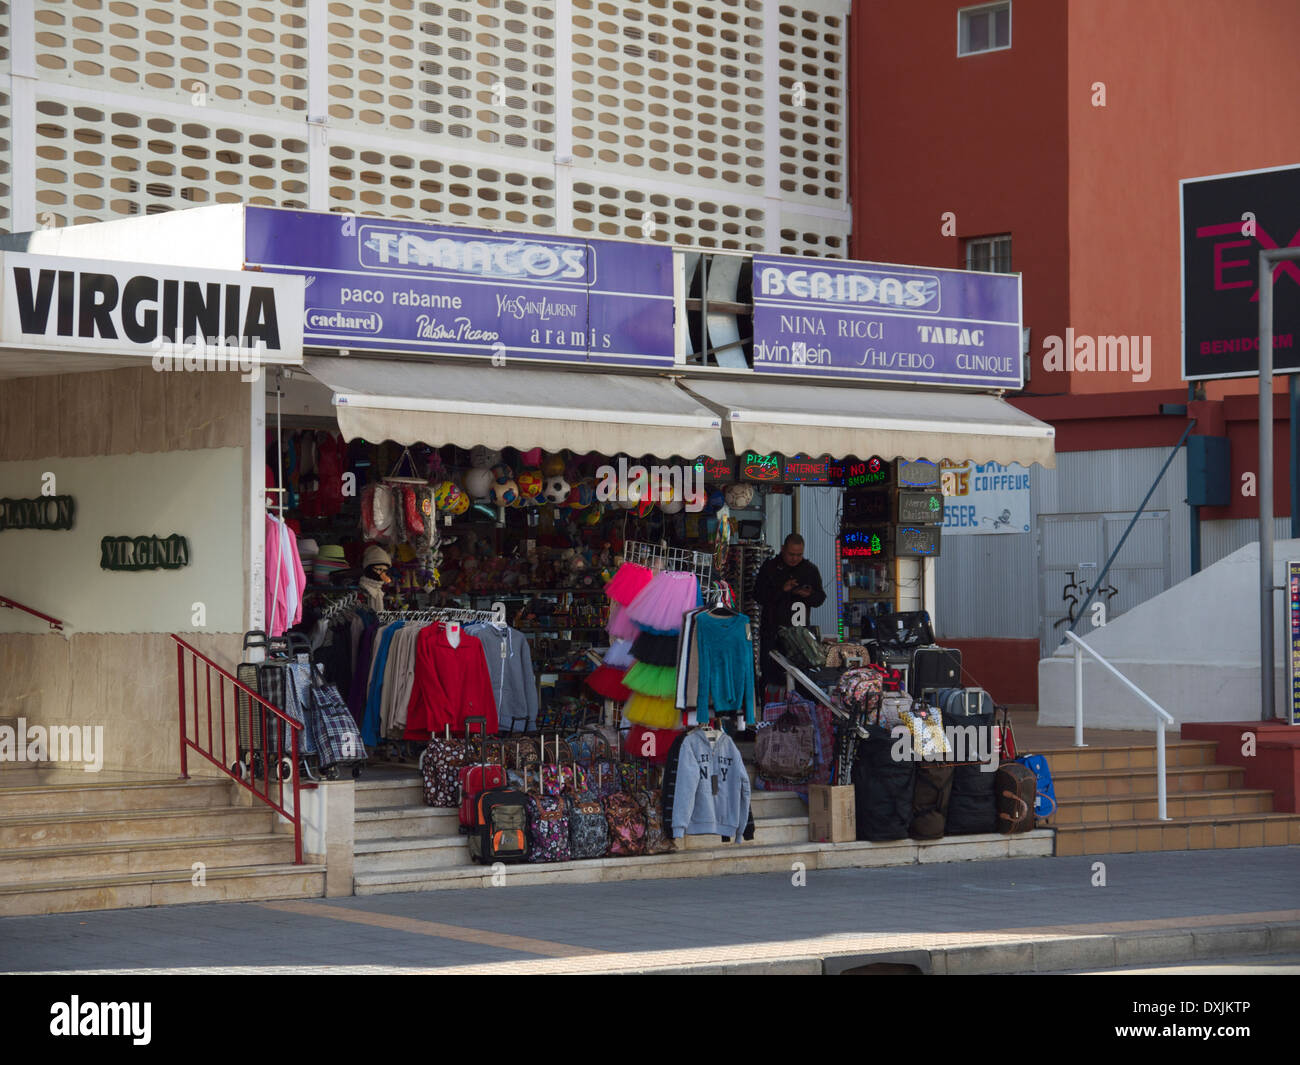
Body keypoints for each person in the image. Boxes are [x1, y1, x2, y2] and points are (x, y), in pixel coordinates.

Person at [754, 533, 826, 688]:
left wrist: (809, 595)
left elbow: (820, 598)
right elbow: (758, 596)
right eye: (791, 554)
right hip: (772, 633)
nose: (795, 559)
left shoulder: (810, 570)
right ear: (782, 549)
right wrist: (782, 589)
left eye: (799, 555)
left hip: (799, 636)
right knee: (771, 677)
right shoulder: (770, 567)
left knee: (800, 678)